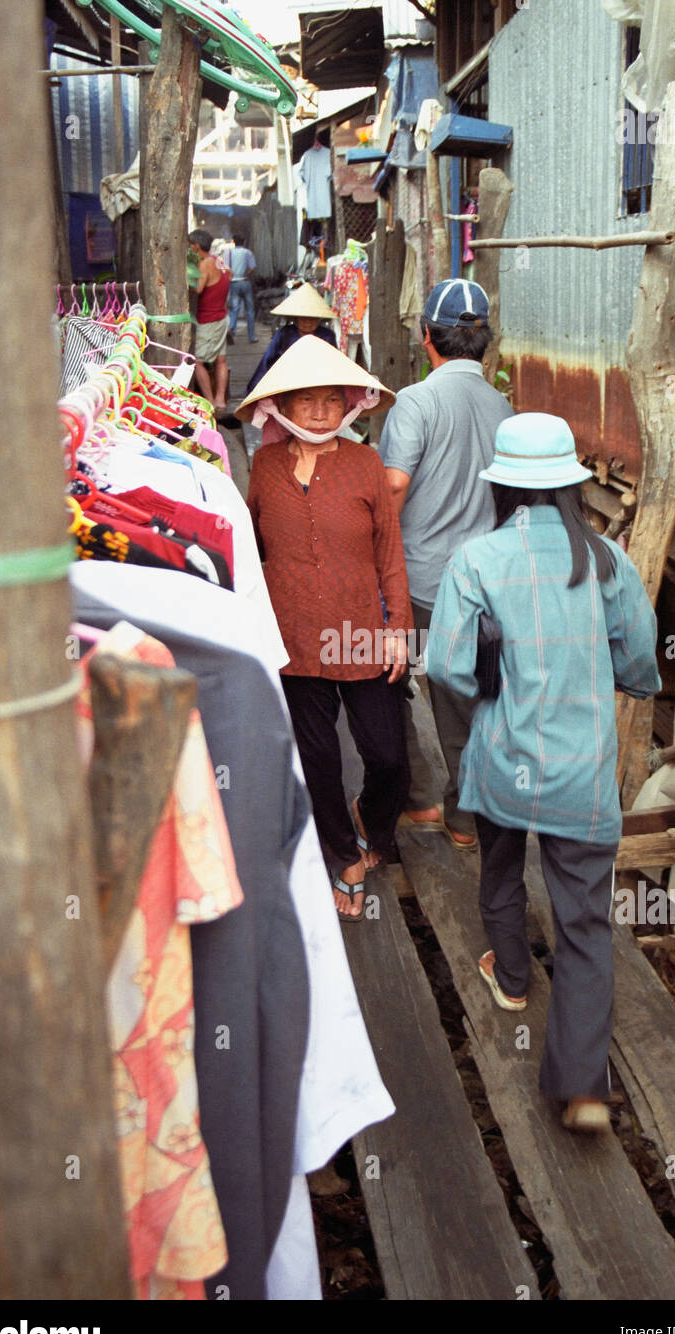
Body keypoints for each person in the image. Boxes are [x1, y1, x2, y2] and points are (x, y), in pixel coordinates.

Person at [426, 412, 661, 1134]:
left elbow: (443, 667)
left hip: (502, 766)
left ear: (502, 488)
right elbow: (640, 661)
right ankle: (583, 1087)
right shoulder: (605, 560)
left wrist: (485, 690)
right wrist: (621, 676)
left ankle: (515, 981)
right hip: (582, 773)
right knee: (586, 925)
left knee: (498, 870)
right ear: (569, 489)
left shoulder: (474, 560)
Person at [239, 335, 412, 921]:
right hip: (293, 633)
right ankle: (343, 855)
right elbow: (251, 548)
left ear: (348, 405)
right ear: (281, 409)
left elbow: (390, 554)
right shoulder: (264, 465)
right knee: (318, 757)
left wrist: (399, 632)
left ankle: (372, 818)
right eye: (304, 401)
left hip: (362, 628)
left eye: (329, 401)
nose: (318, 412)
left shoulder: (365, 464)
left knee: (388, 754)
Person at [379, 278, 513, 850]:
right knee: (467, 699)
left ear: (426, 336)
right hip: (486, 583)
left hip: (421, 580)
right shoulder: (504, 406)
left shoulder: (416, 401)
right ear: (484, 342)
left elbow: (392, 489)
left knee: (383, 682)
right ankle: (464, 818)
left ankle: (418, 798)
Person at [244, 281, 338, 396]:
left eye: (312, 318)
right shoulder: (284, 335)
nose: (308, 322)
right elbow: (266, 363)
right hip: (287, 386)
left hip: (318, 385)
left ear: (319, 319)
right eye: (303, 318)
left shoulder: (327, 336)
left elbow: (335, 366)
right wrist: (255, 391)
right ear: (295, 318)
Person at [188, 228, 231, 412]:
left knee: (197, 361)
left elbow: (198, 288)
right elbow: (230, 273)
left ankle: (211, 401)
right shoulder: (218, 261)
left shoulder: (205, 263)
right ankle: (220, 399)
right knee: (221, 360)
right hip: (221, 317)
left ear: (196, 246)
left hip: (209, 319)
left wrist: (185, 277)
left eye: (190, 247)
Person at [224, 234, 257, 344]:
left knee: (234, 309)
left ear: (234, 242)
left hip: (234, 283)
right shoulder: (248, 253)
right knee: (250, 311)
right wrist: (246, 274)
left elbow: (226, 268)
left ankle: (231, 330)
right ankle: (252, 337)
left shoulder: (229, 253)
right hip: (245, 282)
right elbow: (252, 268)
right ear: (244, 242)